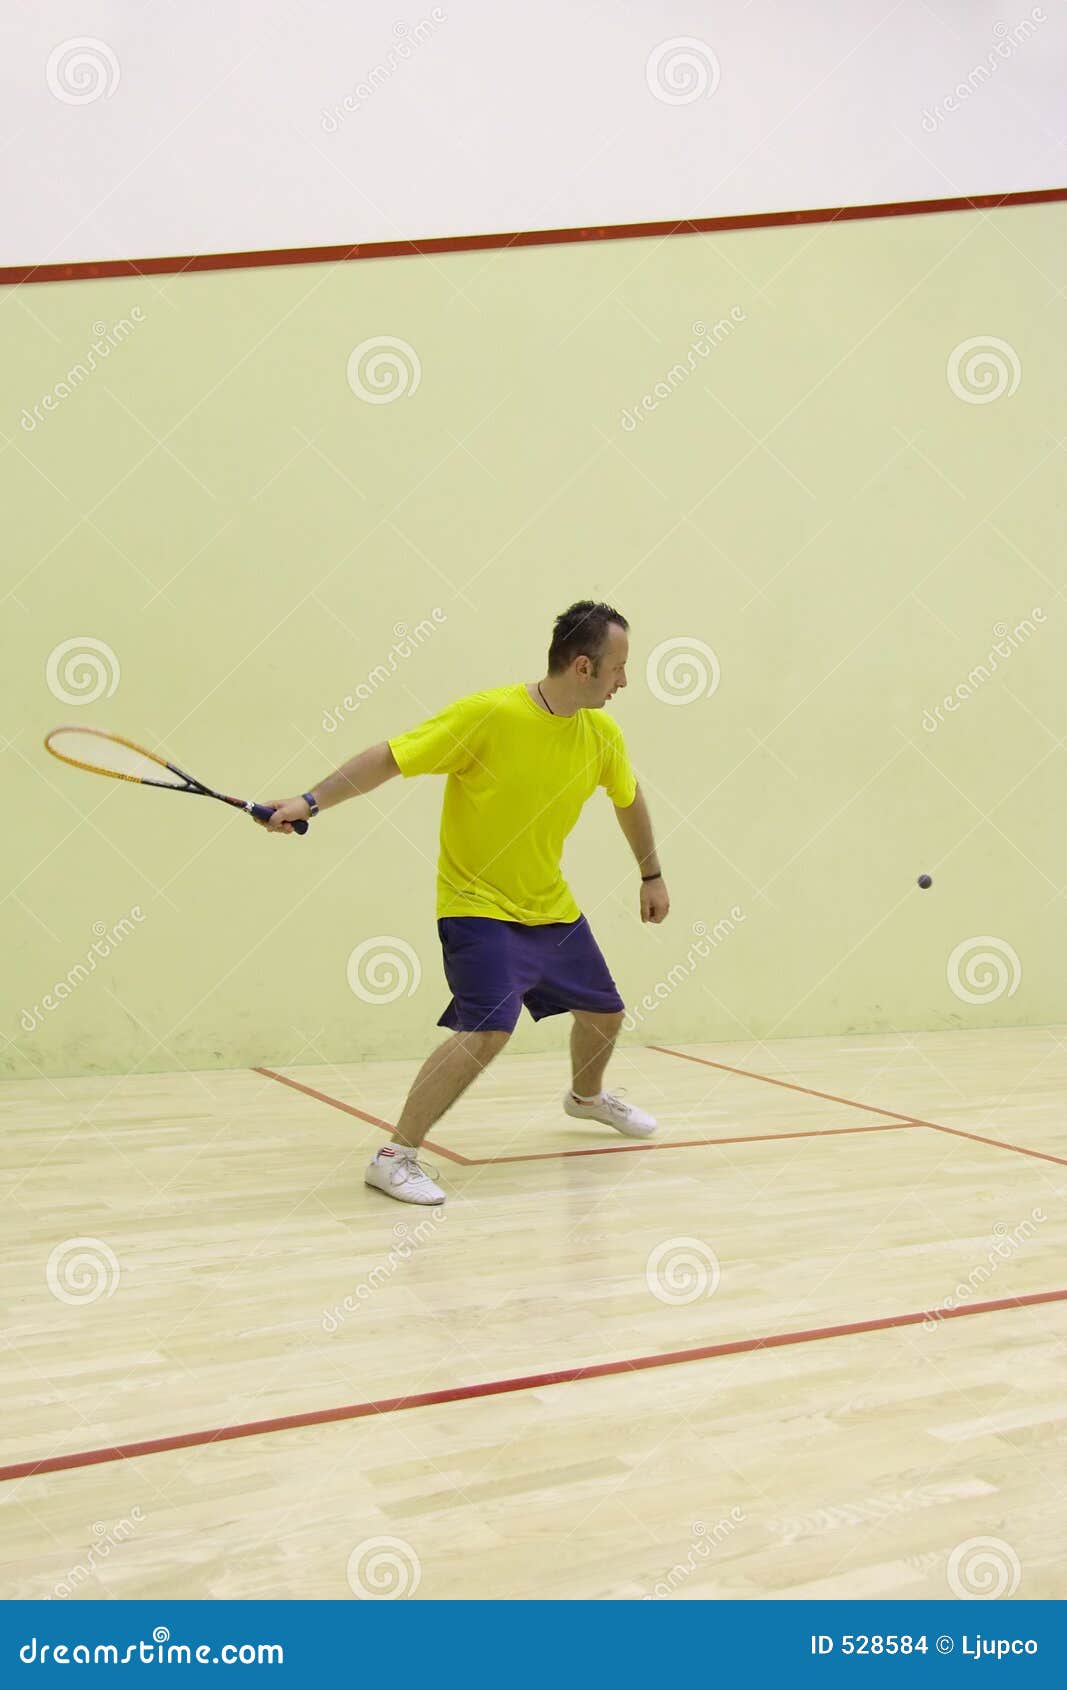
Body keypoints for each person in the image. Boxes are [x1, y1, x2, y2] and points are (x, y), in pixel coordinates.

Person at [263, 600, 670, 1204]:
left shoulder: (600, 735)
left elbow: (628, 800)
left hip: (549, 906)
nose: (624, 682)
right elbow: (390, 757)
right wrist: (310, 802)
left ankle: (585, 1099)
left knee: (605, 1013)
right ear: (583, 667)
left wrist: (651, 874)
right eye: (618, 668)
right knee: (486, 1030)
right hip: (475, 904)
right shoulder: (488, 715)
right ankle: (394, 1155)